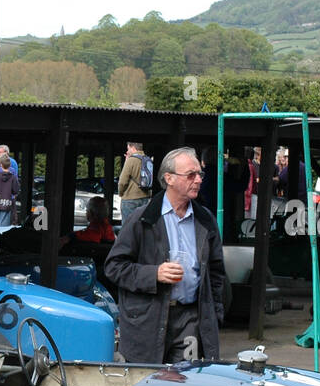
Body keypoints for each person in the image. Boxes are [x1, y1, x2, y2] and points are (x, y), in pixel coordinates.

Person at [104, 147, 225, 364]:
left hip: (190, 320)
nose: (198, 180)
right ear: (169, 178)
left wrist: (214, 315)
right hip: (147, 321)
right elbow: (113, 267)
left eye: (200, 174)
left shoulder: (205, 220)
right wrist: (154, 274)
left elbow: (217, 273)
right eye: (190, 175)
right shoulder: (142, 219)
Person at [63, 195, 114, 275]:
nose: (86, 212)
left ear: (91, 213)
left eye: (87, 210)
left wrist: (69, 237)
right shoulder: (106, 226)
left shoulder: (97, 228)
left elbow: (91, 236)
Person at [118, 142, 151, 224]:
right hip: (145, 198)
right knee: (141, 226)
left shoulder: (131, 160)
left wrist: (121, 193)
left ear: (131, 147)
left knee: (128, 227)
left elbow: (122, 181)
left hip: (130, 199)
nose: (127, 151)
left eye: (128, 148)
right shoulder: (148, 159)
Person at [0, 154, 20, 227]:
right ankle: (1, 237)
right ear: (9, 165)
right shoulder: (13, 177)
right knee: (4, 223)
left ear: (1, 164)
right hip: (7, 202)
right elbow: (16, 190)